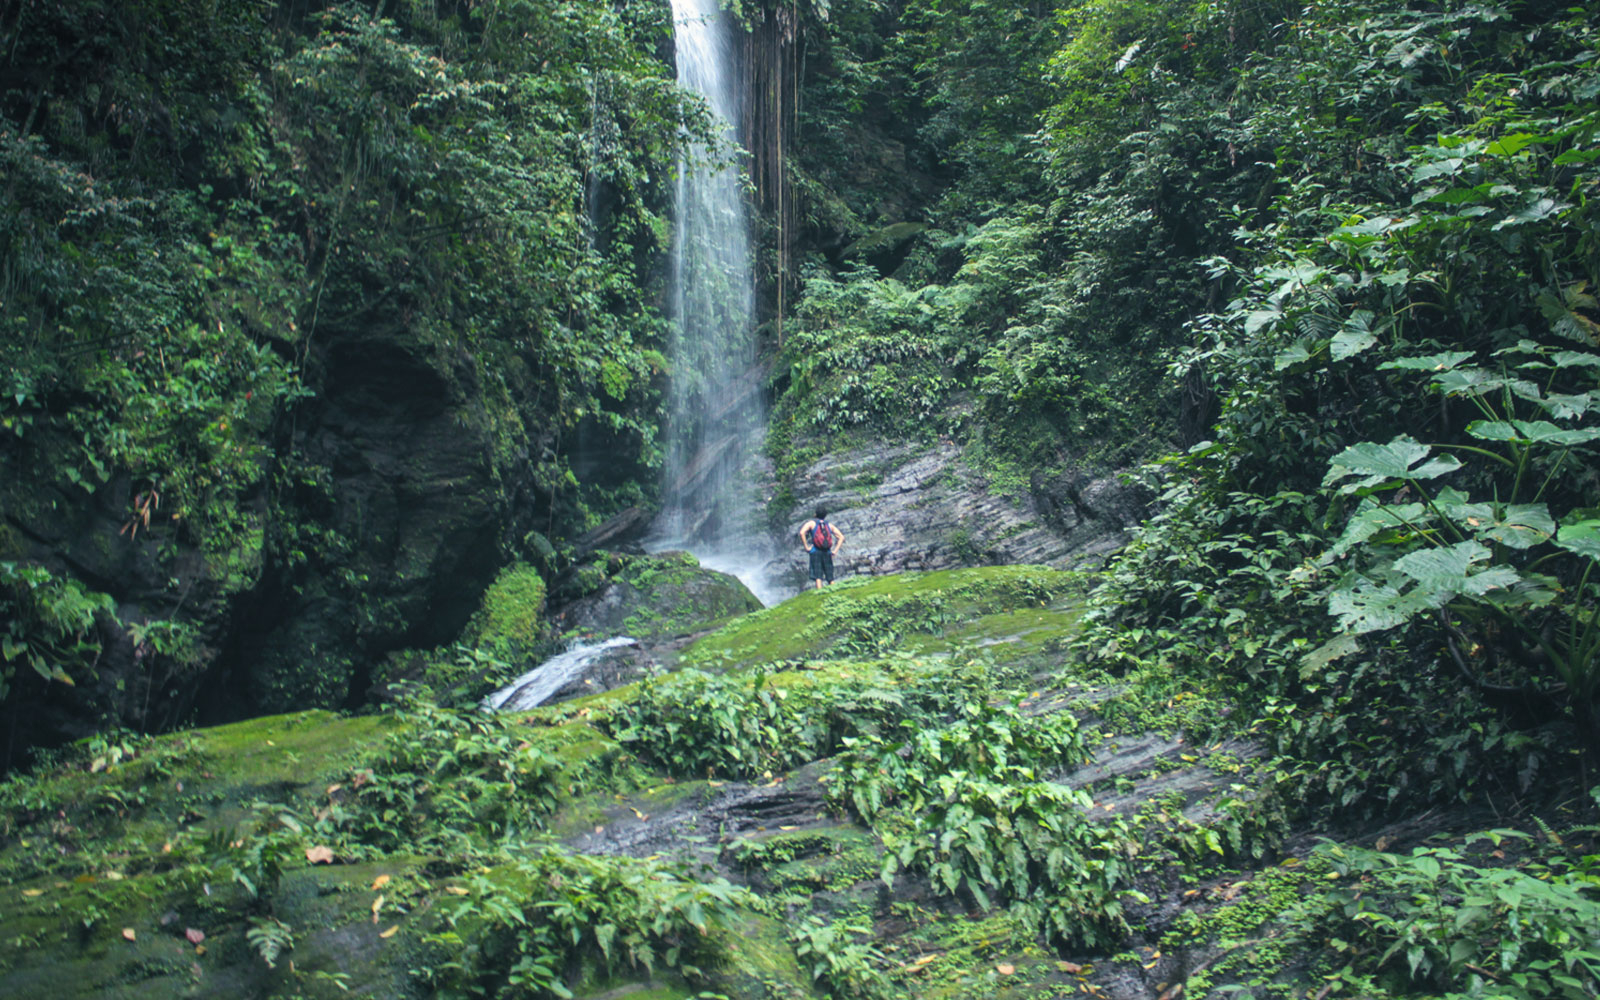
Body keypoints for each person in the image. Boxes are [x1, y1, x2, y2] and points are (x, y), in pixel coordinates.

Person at [799, 507, 843, 589]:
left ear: (815, 514)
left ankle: (820, 592)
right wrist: (835, 551)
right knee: (830, 576)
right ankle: (834, 591)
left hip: (815, 551)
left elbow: (802, 532)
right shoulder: (829, 525)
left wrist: (806, 547)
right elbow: (841, 537)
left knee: (818, 576)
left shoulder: (811, 523)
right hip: (827, 551)